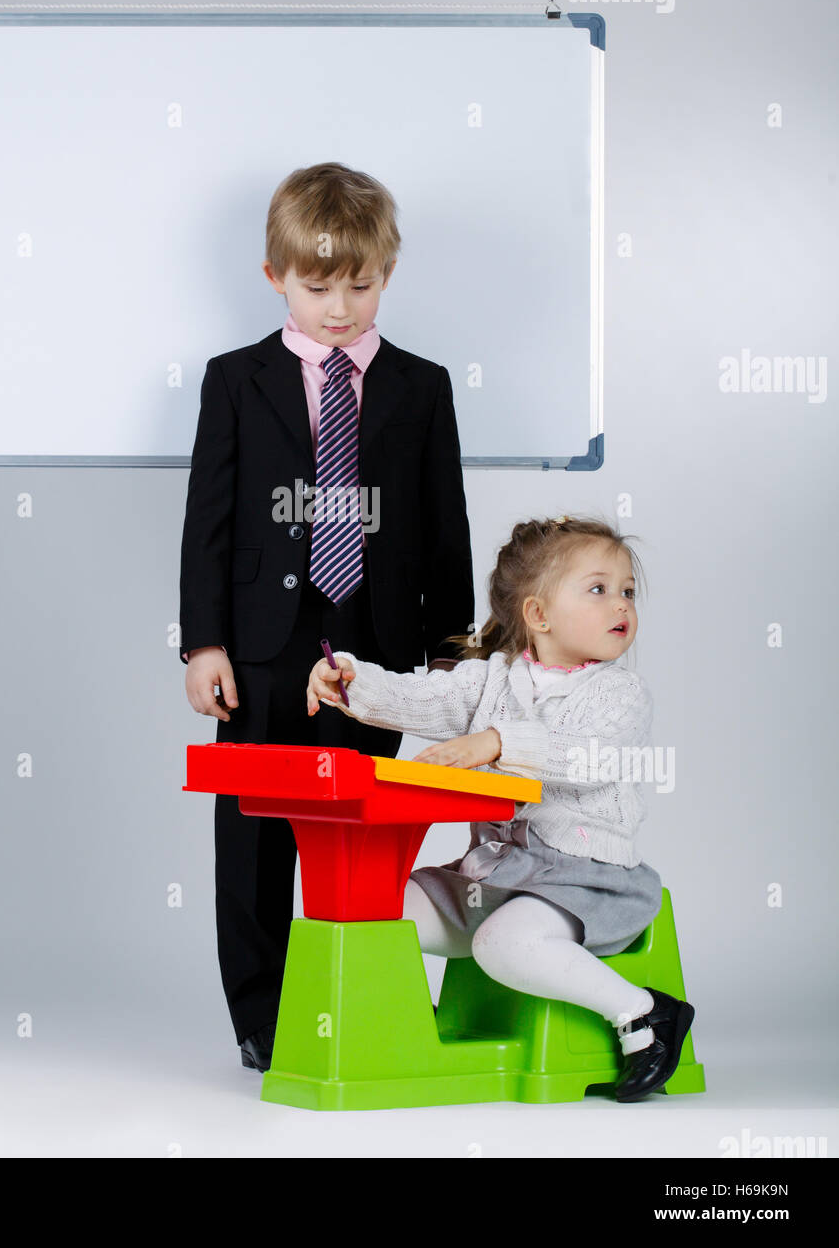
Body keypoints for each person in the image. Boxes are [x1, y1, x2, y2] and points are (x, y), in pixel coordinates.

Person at [179, 162, 474, 1071]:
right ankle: (263, 1024)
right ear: (277, 277)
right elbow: (210, 521)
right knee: (255, 843)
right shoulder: (236, 380)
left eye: (360, 283)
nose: (339, 307)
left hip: (378, 651)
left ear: (385, 273)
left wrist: (451, 650)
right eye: (317, 287)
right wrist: (203, 644)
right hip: (263, 652)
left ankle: (362, 1002)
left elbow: (441, 521)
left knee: (364, 840)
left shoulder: (420, 387)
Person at [307, 514, 695, 1102]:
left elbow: (588, 758)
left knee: (502, 945)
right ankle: (408, 1031)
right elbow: (419, 696)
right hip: (492, 879)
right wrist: (352, 681)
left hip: (584, 881)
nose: (621, 605)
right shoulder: (489, 680)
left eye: (627, 592)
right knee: (373, 901)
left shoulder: (619, 693)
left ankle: (644, 1014)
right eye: (599, 589)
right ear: (537, 615)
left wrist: (495, 743)